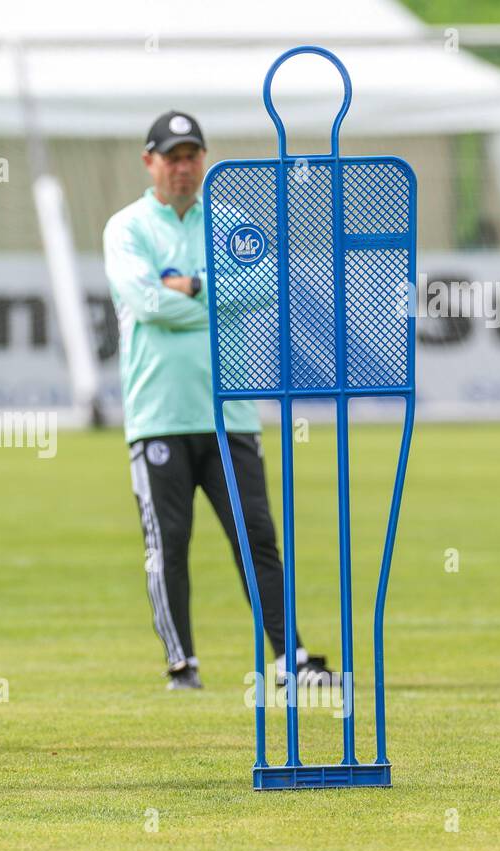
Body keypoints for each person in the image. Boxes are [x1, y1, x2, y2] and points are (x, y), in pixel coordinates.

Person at [102, 110, 332, 691]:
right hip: (158, 414)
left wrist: (190, 286)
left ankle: (289, 658)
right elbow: (147, 303)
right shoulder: (127, 227)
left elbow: (264, 287)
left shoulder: (231, 221)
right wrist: (216, 295)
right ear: (149, 161)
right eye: (172, 156)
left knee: (257, 538)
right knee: (169, 544)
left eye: (192, 155)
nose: (183, 167)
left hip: (231, 407)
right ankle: (182, 663)